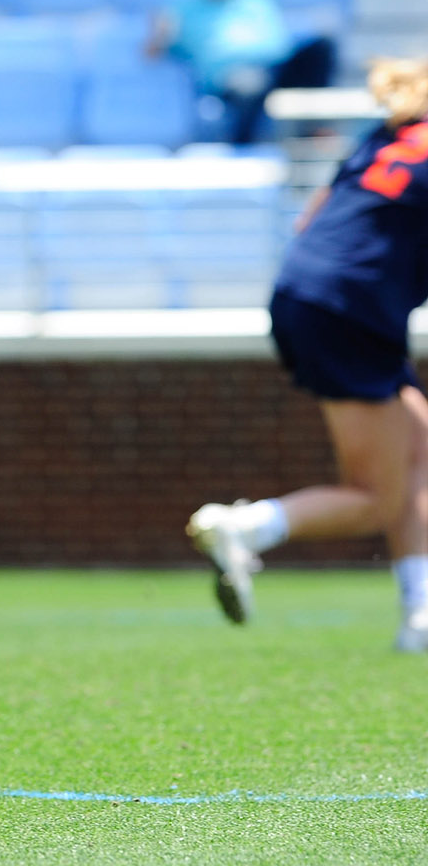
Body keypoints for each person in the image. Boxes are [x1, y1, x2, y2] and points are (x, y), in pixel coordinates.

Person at [187, 57, 428, 650]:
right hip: (354, 308)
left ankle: (421, 614)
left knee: (418, 436)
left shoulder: (392, 133)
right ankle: (243, 528)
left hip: (309, 288)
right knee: (375, 498)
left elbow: (312, 217)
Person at [147, 0, 336, 145]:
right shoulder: (182, 7)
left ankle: (313, 132)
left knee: (321, 49)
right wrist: (159, 34)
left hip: (278, 66)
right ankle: (244, 147)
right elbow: (153, 52)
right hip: (231, 77)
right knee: (250, 86)